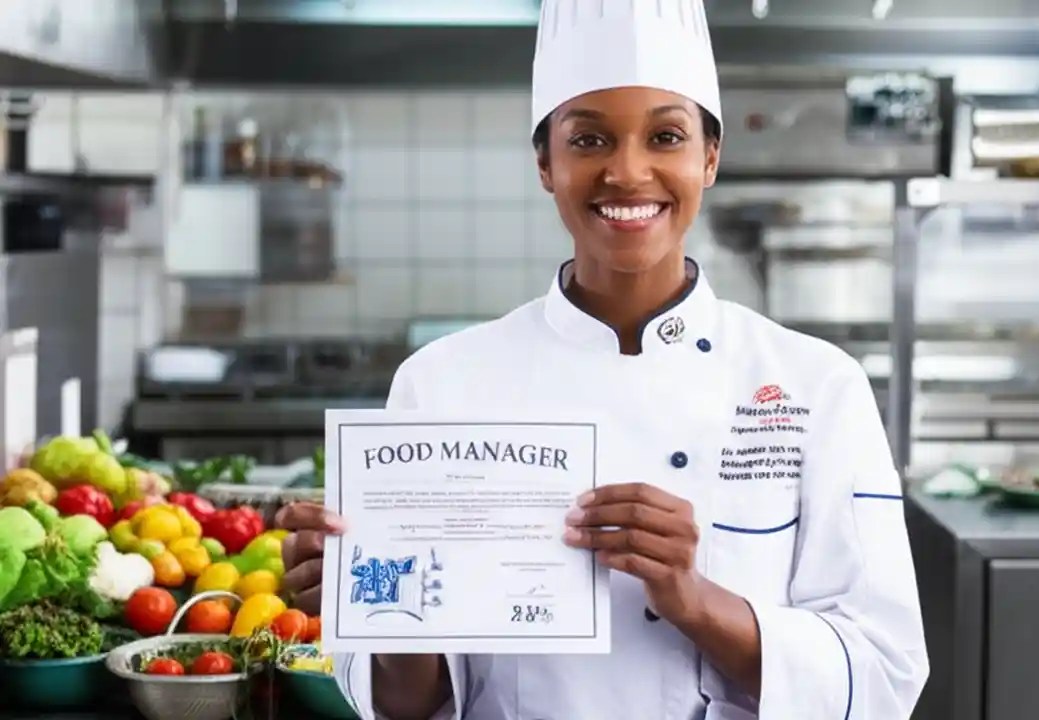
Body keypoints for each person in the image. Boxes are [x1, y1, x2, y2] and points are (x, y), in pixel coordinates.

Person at [276, 0, 929, 717]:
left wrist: (693, 599)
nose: (627, 171)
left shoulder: (815, 386)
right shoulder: (442, 383)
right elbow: (409, 705)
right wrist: (377, 602)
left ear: (710, 157)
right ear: (545, 164)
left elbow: (882, 675)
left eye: (666, 137)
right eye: (588, 140)